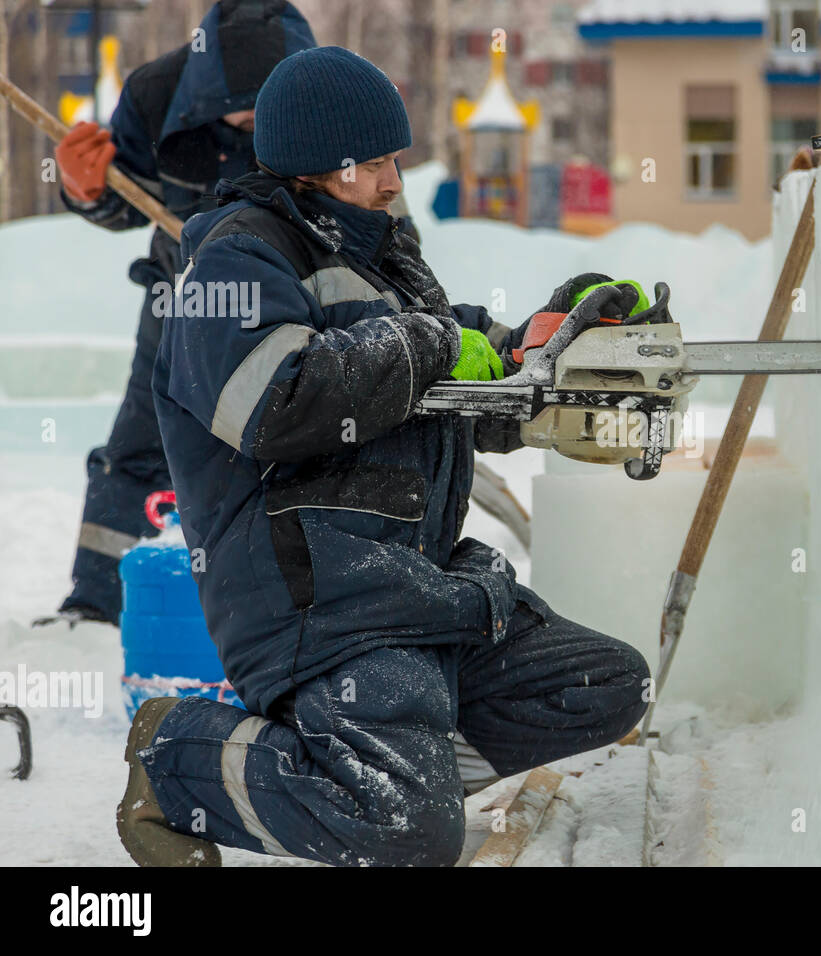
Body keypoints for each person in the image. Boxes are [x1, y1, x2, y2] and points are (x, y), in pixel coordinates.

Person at [118, 45, 650, 867]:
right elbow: (272, 400)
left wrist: (549, 344)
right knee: (406, 837)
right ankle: (181, 761)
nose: (392, 179)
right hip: (323, 604)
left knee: (609, 683)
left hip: (418, 588)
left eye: (393, 157)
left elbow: (456, 381)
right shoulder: (232, 259)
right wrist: (439, 346)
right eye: (370, 162)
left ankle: (384, 773)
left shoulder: (378, 251)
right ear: (309, 168)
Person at [37, 0, 316, 627]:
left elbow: (376, 213)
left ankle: (290, 611)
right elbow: (126, 202)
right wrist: (88, 192)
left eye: (261, 117)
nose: (246, 126)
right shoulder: (156, 95)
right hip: (181, 297)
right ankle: (98, 605)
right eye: (236, 113)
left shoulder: (329, 96)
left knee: (288, 445)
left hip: (297, 305)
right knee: (141, 445)